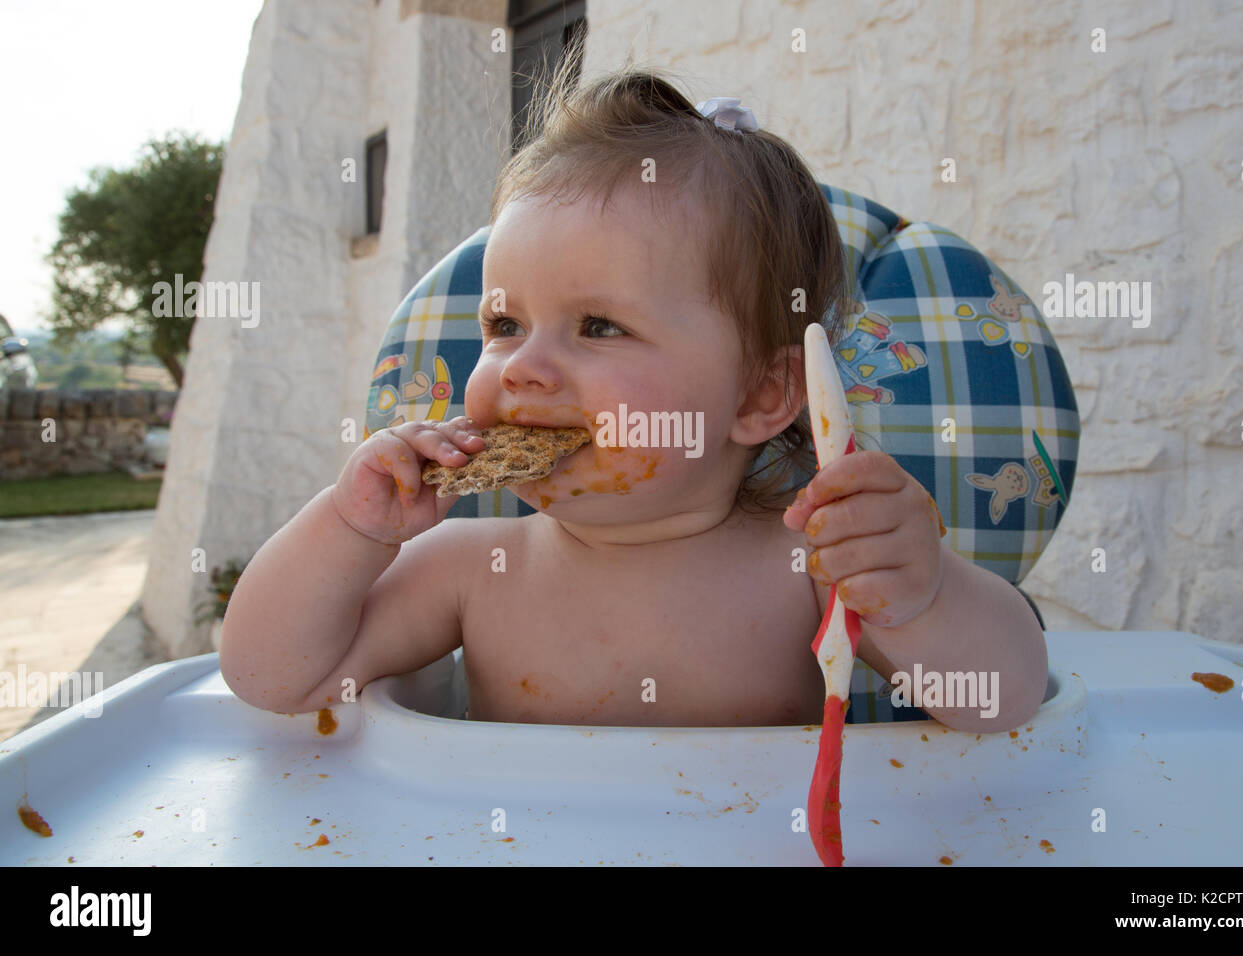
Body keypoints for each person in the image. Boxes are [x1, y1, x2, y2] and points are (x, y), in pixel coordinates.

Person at [220, 58, 1045, 732]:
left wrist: (923, 590)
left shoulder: (811, 566)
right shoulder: (470, 568)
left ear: (760, 394)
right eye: (504, 323)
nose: (521, 367)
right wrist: (350, 525)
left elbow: (999, 704)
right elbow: (274, 677)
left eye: (600, 327)